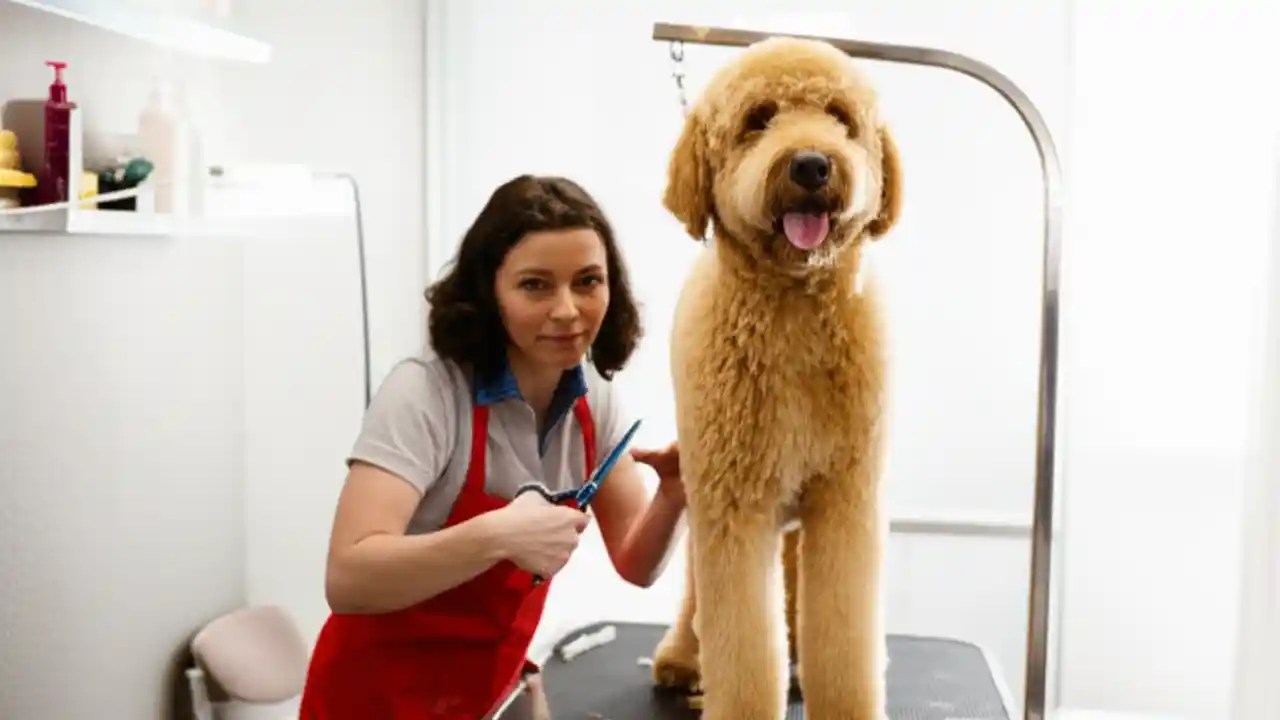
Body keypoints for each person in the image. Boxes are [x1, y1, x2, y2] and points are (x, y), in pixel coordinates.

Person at [297, 175, 687, 719]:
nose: (568, 309)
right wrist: (497, 534)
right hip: (374, 701)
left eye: (587, 281)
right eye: (535, 285)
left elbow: (635, 564)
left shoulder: (592, 398)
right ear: (489, 291)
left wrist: (673, 495)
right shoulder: (426, 392)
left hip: (483, 698)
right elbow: (347, 578)